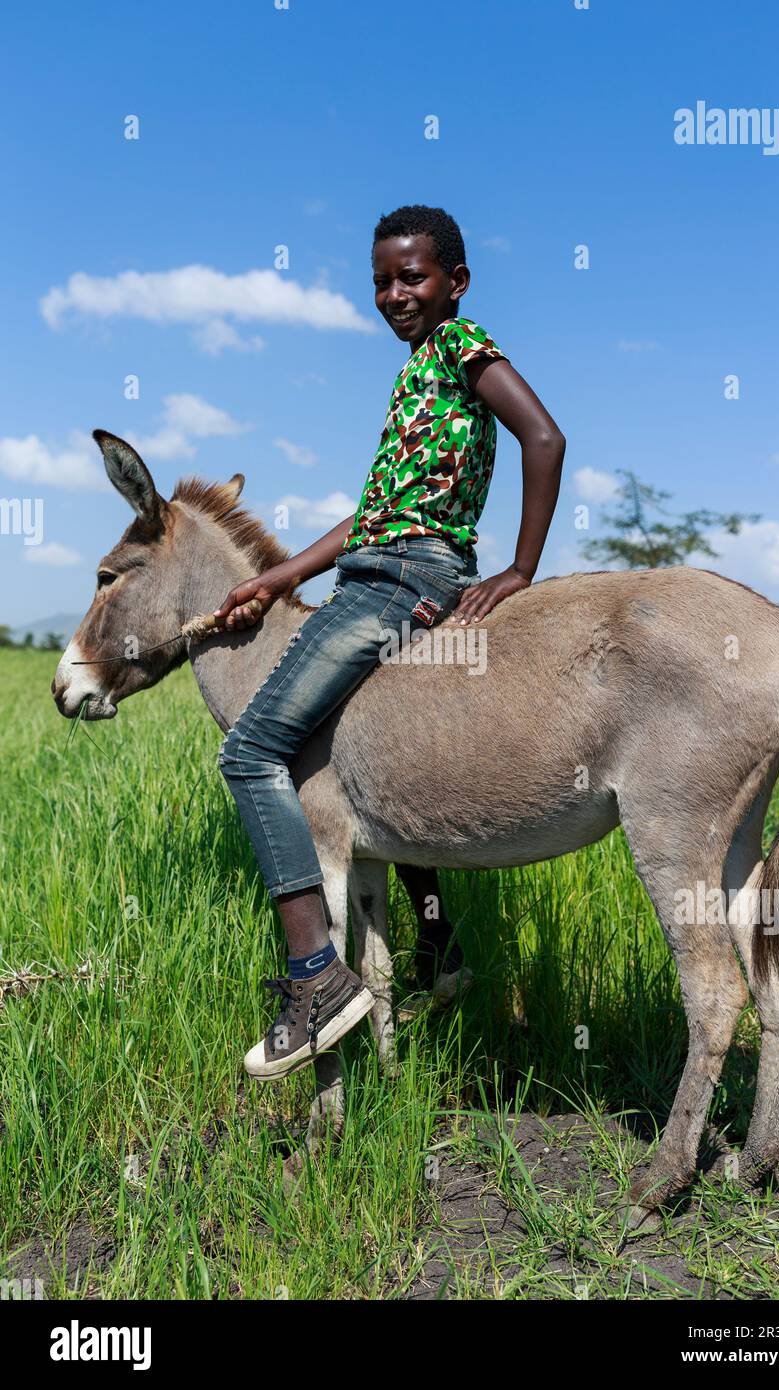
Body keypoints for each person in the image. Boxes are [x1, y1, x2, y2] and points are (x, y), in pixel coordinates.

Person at [215, 204, 565, 1079]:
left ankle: (316, 980)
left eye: (412, 277)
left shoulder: (458, 348)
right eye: (381, 280)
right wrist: (280, 577)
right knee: (349, 758)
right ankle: (433, 951)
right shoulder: (418, 373)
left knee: (251, 750)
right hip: (379, 566)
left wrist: (521, 567)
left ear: (456, 281)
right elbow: (370, 513)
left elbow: (545, 435)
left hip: (403, 579)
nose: (394, 294)